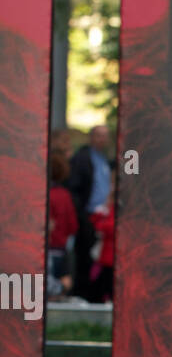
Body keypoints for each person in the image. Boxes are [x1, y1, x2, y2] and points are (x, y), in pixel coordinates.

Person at [67, 123, 114, 300]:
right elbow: (75, 187)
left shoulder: (104, 160)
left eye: (105, 136)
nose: (102, 139)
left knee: (101, 257)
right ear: (92, 137)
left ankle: (96, 293)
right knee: (85, 255)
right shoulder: (83, 158)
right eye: (99, 135)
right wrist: (81, 213)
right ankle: (81, 293)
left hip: (103, 215)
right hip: (88, 214)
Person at [47, 150, 77, 296]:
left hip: (48, 247)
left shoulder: (46, 195)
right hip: (62, 246)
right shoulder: (64, 195)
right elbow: (73, 225)